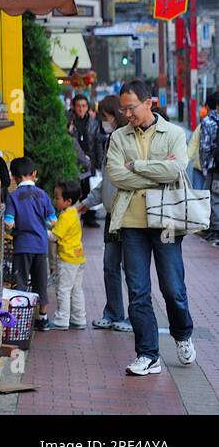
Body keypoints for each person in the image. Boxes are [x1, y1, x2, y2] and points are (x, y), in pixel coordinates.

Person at [103, 79, 197, 376]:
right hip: (131, 223)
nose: (127, 113)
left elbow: (176, 169)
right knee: (138, 290)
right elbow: (117, 176)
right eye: (123, 109)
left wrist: (137, 167)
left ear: (149, 102)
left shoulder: (174, 134)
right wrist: (155, 173)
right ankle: (148, 354)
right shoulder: (119, 137)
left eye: (131, 107)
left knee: (172, 286)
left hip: (167, 219)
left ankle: (182, 334)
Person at [80, 95, 132, 332]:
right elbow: (106, 181)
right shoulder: (112, 140)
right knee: (110, 266)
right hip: (112, 215)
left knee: (133, 270)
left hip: (131, 216)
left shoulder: (130, 141)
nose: (104, 121)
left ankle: (134, 317)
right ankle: (113, 312)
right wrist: (87, 203)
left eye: (106, 116)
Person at [5, 156, 57, 332]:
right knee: (40, 282)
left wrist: (9, 230)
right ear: (34, 174)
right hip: (41, 245)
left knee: (20, 281)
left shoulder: (13, 197)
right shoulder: (43, 195)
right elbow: (53, 221)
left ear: (13, 177)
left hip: (22, 246)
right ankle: (42, 318)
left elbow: (9, 223)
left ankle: (20, 319)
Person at [49, 181, 86, 330]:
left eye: (57, 198)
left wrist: (39, 230)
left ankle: (62, 319)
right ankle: (79, 318)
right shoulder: (73, 213)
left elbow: (54, 237)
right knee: (77, 289)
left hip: (67, 258)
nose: (54, 201)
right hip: (78, 257)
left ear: (68, 201)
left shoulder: (65, 216)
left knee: (63, 289)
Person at [68, 93, 101, 226]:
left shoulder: (94, 123)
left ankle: (90, 217)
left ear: (87, 107)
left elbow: (98, 142)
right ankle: (73, 216)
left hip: (90, 159)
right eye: (78, 106)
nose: (81, 109)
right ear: (74, 107)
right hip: (74, 160)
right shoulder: (69, 121)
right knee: (75, 189)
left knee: (90, 188)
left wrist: (98, 162)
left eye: (83, 106)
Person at [197, 90, 219, 246]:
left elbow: (205, 147)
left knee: (212, 197)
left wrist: (204, 165)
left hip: (214, 165)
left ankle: (214, 230)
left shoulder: (208, 122)